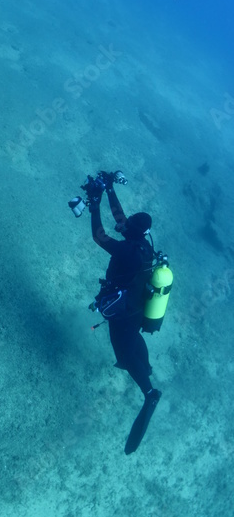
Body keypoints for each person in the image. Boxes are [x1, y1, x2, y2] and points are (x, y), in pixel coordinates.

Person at [84, 170, 161, 451]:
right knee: (135, 341)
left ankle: (149, 393)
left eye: (127, 223)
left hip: (124, 314)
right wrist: (108, 189)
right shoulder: (143, 246)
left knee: (125, 355)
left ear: (135, 229)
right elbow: (120, 218)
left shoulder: (125, 250)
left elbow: (99, 235)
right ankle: (148, 367)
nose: (123, 223)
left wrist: (94, 204)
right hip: (138, 308)